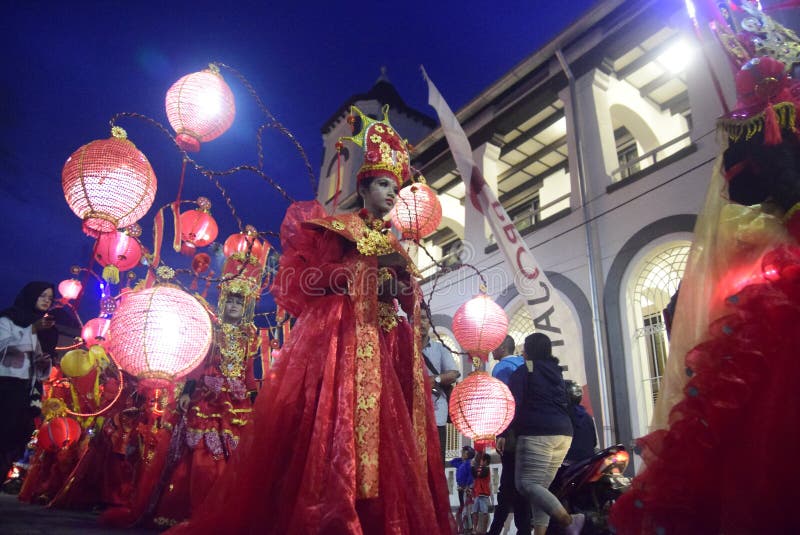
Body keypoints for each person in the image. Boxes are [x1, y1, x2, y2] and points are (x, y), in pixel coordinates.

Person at [168, 105, 454, 534]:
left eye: (396, 187)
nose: (392, 194)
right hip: (344, 344)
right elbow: (305, 278)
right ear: (364, 185)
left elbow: (407, 296)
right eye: (383, 184)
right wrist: (362, 275)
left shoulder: (392, 241)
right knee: (333, 431)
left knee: (387, 441)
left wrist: (398, 289)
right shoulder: (339, 229)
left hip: (385, 345)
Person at [504, 333, 582, 535]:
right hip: (563, 434)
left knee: (526, 484)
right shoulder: (556, 373)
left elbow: (514, 405)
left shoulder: (524, 372)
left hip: (537, 433)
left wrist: (504, 432)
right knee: (541, 490)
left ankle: (569, 521)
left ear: (527, 351)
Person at [0, 282, 56, 482]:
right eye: (42, 296)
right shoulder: (9, 319)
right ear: (31, 296)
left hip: (26, 390)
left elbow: (40, 367)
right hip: (6, 385)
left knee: (18, 437)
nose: (46, 301)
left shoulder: (45, 328)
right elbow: (3, 346)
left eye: (50, 297)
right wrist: (32, 329)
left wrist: (44, 363)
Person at [488, 336, 531, 535]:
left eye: (494, 345)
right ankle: (523, 528)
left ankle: (495, 529)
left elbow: (503, 401)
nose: (491, 350)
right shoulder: (525, 365)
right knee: (522, 483)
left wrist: (501, 432)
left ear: (504, 347)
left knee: (507, 484)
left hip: (511, 432)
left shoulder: (501, 368)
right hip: (530, 431)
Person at [420, 309, 460, 460]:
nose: (421, 323)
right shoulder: (403, 348)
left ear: (429, 322)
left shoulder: (439, 348)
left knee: (436, 462)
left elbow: (454, 373)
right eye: (416, 319)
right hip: (410, 415)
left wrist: (434, 380)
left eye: (424, 318)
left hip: (437, 415)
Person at [563, 380, 597, 464]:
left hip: (568, 462)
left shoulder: (562, 416)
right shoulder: (587, 416)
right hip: (588, 461)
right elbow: (594, 442)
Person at [450, 445, 475, 534]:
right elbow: (452, 462)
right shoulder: (460, 463)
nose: (462, 453)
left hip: (466, 489)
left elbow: (471, 476)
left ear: (468, 453)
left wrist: (466, 487)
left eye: (464, 452)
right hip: (460, 488)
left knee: (467, 509)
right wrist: (461, 458)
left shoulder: (469, 463)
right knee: (462, 505)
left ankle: (469, 528)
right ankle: (465, 527)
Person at [471, 452, 492, 535]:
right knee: (475, 512)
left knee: (484, 513)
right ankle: (474, 529)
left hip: (483, 494)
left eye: (482, 460)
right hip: (477, 493)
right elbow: (474, 475)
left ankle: (483, 530)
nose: (480, 461)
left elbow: (478, 475)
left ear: (486, 461)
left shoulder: (486, 469)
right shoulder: (480, 467)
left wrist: (473, 466)